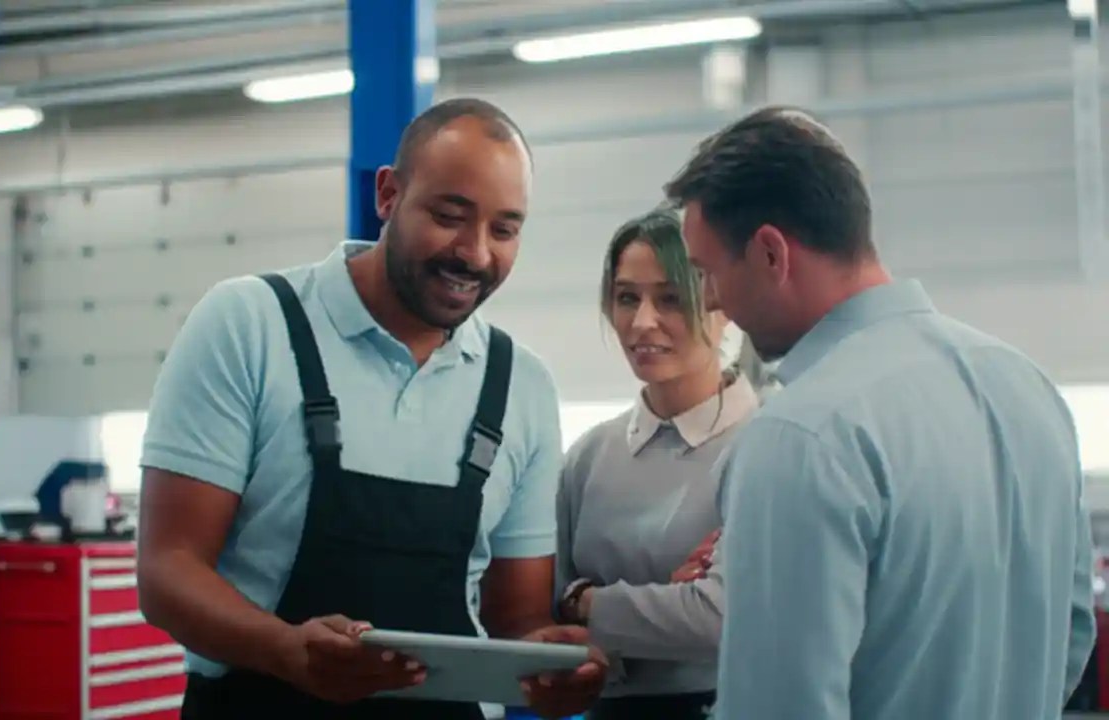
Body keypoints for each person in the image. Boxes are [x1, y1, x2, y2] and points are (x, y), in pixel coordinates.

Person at [134, 97, 606, 720]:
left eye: (504, 230)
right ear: (388, 194)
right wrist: (286, 652)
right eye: (449, 216)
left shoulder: (522, 385)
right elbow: (168, 570)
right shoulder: (250, 325)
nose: (475, 253)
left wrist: (549, 664)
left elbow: (514, 618)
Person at [663, 106, 1095, 720]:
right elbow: (1069, 640)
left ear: (770, 254)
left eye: (707, 272)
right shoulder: (1028, 387)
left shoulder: (802, 435)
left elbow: (780, 708)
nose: (711, 301)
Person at [552, 207, 758, 720]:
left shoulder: (764, 446)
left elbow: (720, 619)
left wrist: (586, 602)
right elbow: (545, 622)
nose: (643, 321)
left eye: (670, 298)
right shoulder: (589, 456)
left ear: (723, 303)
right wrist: (664, 607)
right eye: (627, 298)